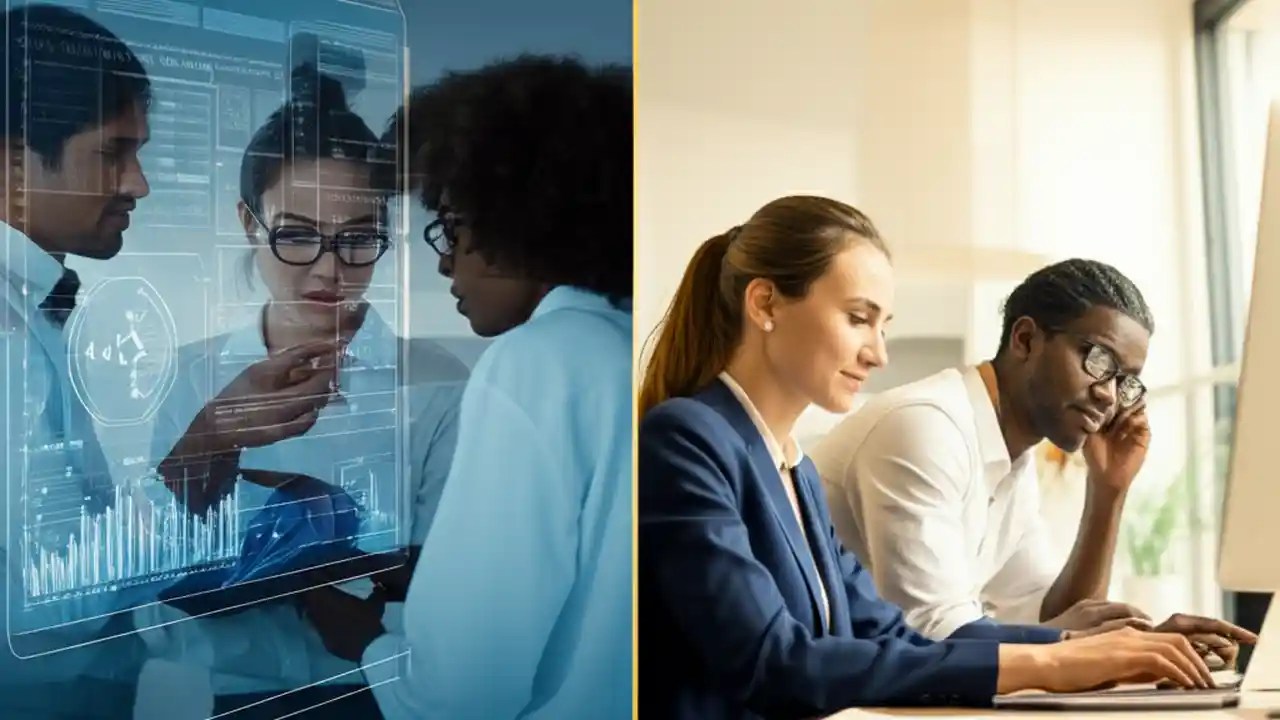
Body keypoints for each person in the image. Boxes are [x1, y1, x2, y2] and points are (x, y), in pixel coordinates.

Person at [637, 195, 1230, 720]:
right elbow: (776, 663)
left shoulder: (793, 468)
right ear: (765, 303)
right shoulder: (688, 438)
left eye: (883, 325)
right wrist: (1058, 663)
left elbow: (895, 637)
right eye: (858, 318)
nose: (878, 354)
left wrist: (1098, 652)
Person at [298, 55, 633, 720]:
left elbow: (457, 695)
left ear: (523, 217)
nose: (446, 259)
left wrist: (342, 621)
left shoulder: (536, 363)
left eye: (454, 227)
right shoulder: (623, 349)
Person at [145, 71, 468, 706]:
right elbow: (150, 569)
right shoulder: (188, 377)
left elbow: (452, 591)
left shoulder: (436, 385)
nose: (329, 268)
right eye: (295, 235)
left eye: (357, 239)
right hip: (226, 695)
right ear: (248, 222)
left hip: (380, 693)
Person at [808, 259, 1253, 662]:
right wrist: (1119, 646)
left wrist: (1108, 490)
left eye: (1125, 382)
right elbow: (932, 634)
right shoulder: (926, 426)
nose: (1109, 395)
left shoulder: (1010, 457)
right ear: (1025, 339)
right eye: (1098, 360)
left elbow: (1059, 615)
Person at [0, 4, 156, 717]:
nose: (138, 183)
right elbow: (53, 604)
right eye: (112, 153)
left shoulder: (34, 308)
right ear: (13, 161)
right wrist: (199, 461)